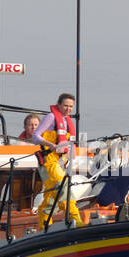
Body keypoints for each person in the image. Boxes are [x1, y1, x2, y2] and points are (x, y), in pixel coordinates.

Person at [32, 93, 84, 228]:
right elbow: (35, 136)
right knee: (64, 187)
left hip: (59, 161)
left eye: (71, 106)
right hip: (48, 160)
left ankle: (44, 227)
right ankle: (76, 220)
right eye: (65, 105)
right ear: (59, 104)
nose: (68, 109)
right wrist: (50, 145)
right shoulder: (51, 117)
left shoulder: (67, 121)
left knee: (50, 197)